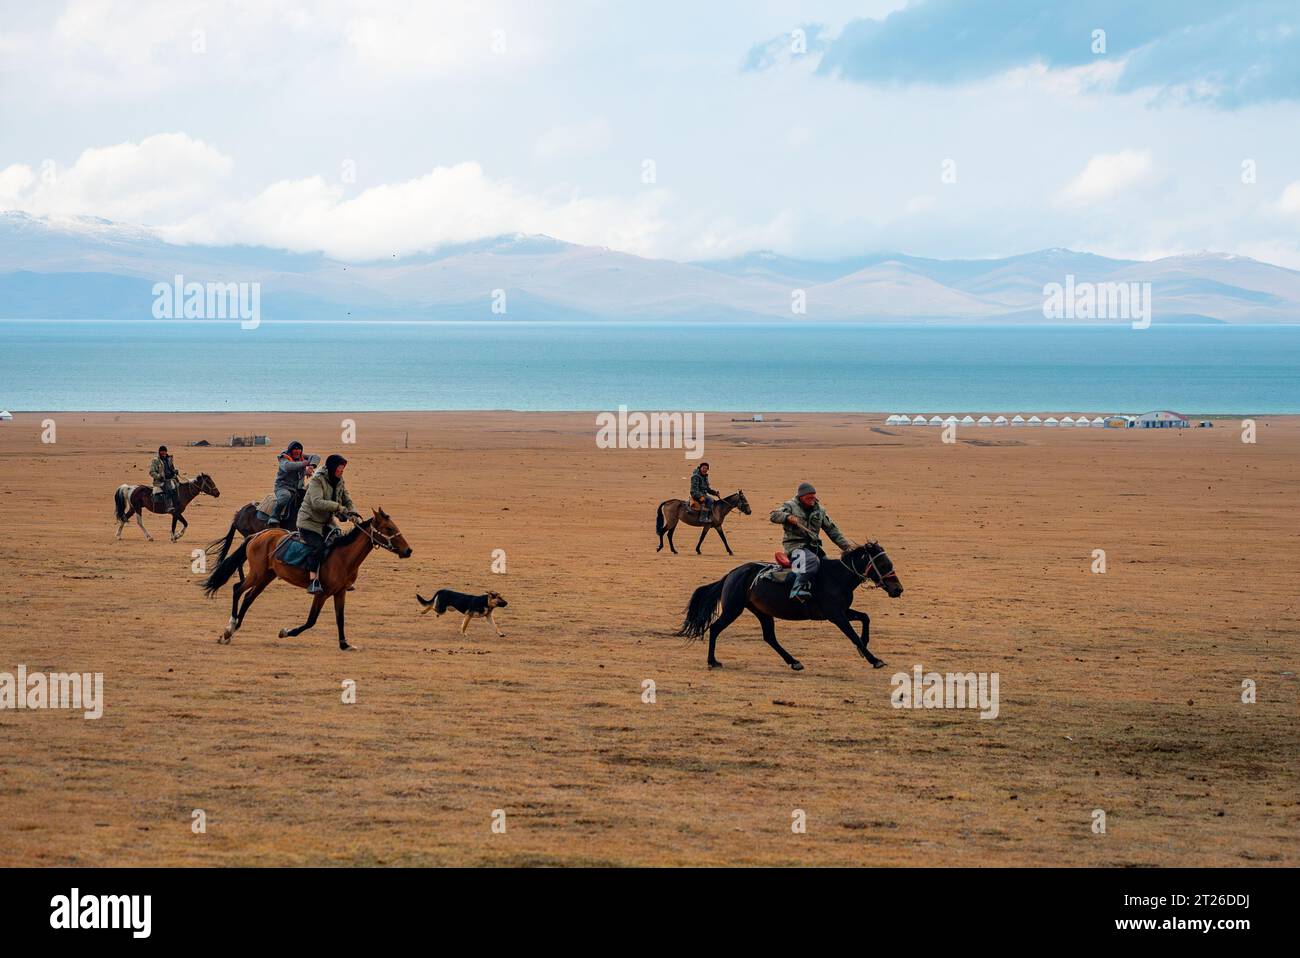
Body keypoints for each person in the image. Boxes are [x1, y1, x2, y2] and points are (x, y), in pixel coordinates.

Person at [769, 481, 854, 602]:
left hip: (814, 548)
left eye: (813, 496)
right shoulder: (790, 506)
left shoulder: (820, 510)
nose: (812, 499)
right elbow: (773, 515)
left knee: (829, 568)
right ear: (801, 497)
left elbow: (832, 531)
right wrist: (787, 517)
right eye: (808, 497)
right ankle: (797, 589)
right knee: (812, 561)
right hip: (795, 547)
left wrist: (847, 547)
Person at [297, 454, 359, 594]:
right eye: (339, 469)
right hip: (309, 522)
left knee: (340, 543)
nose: (341, 472)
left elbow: (347, 500)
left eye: (343, 469)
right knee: (319, 546)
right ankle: (313, 581)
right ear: (332, 468)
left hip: (326, 522)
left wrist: (353, 513)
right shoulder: (317, 480)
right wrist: (338, 508)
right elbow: (316, 502)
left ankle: (341, 577)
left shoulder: (339, 480)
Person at [268, 441, 316, 527]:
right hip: (283, 487)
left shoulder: (302, 457)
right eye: (295, 450)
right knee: (285, 497)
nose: (298, 451)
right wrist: (303, 464)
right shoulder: (283, 458)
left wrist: (311, 466)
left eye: (299, 450)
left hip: (298, 488)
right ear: (291, 451)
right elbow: (287, 466)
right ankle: (274, 516)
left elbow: (315, 457)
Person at [149, 445, 179, 515]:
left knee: (179, 486)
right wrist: (159, 476)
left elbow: (171, 469)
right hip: (160, 481)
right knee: (168, 487)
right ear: (159, 452)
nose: (163, 452)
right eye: (161, 451)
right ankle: (169, 507)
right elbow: (152, 472)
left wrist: (175, 471)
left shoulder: (169, 459)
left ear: (166, 451)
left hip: (171, 478)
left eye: (164, 451)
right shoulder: (156, 460)